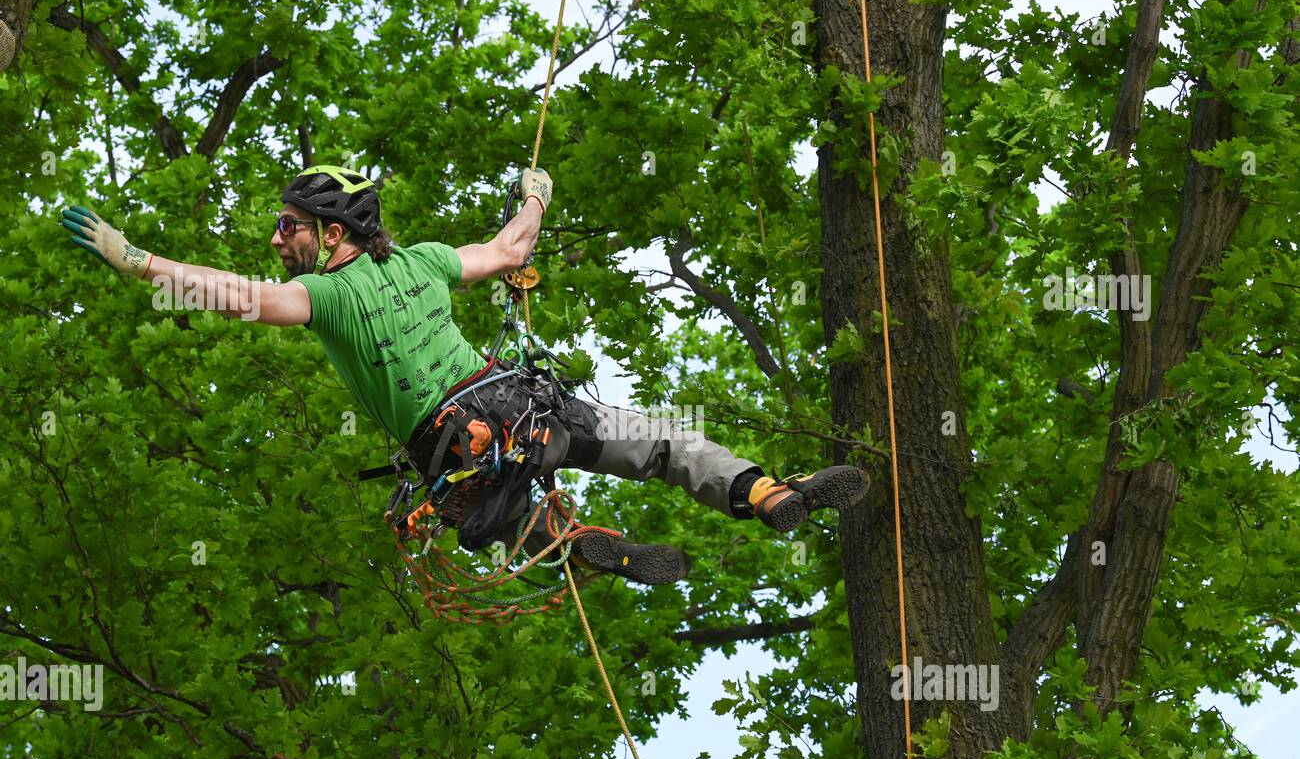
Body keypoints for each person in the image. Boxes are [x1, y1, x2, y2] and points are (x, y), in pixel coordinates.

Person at [58, 165, 870, 585]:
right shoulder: (425, 261)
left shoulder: (326, 297)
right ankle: (765, 493)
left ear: (332, 234)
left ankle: (579, 545)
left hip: (456, 447)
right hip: (521, 405)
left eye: (288, 227)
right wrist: (537, 197)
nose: (278, 241)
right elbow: (513, 248)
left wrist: (138, 262)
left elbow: (233, 298)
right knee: (653, 439)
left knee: (490, 515)